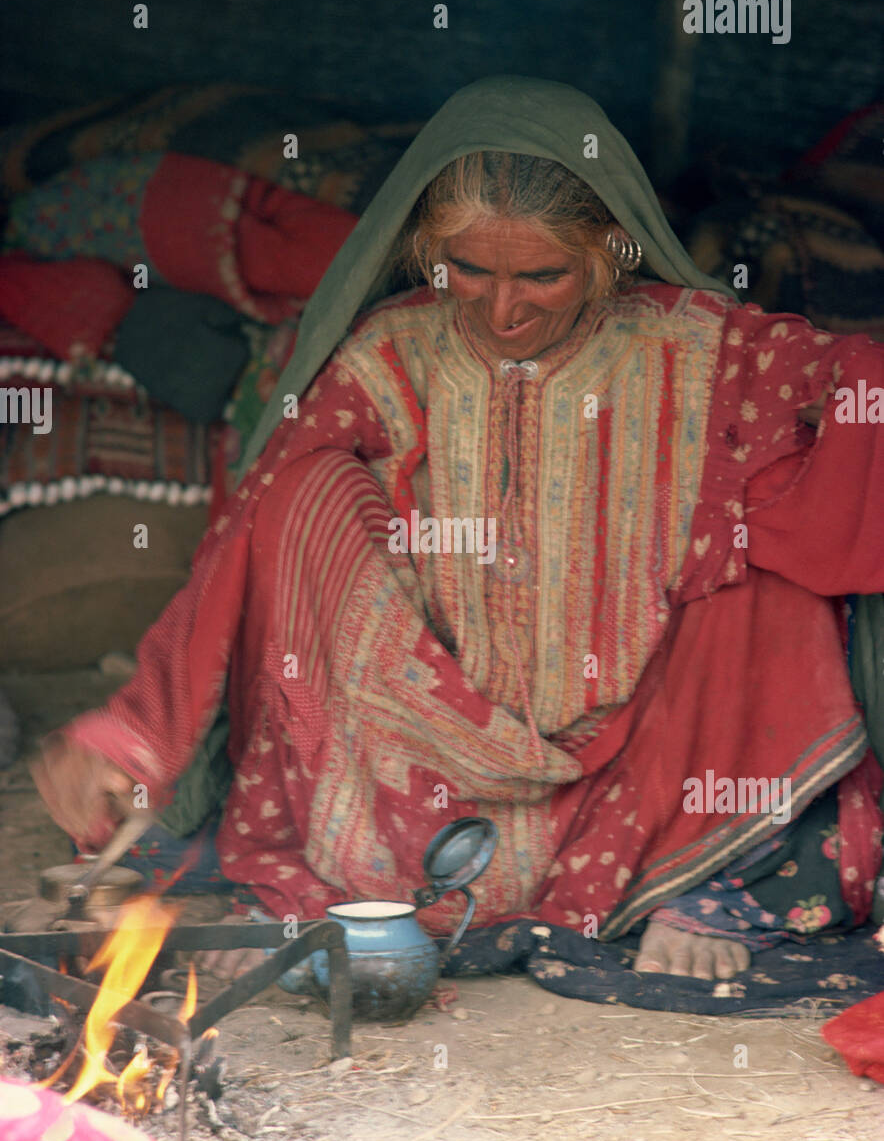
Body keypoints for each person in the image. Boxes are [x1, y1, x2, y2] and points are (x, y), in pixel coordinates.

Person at [31, 77, 884, 983]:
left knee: (763, 538)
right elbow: (244, 536)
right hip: (426, 753)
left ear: (612, 252)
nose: (502, 309)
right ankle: (385, 861)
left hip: (644, 754)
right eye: (470, 271)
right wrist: (134, 733)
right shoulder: (394, 351)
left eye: (542, 276)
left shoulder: (712, 353)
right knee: (298, 491)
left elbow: (855, 390)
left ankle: (704, 876)